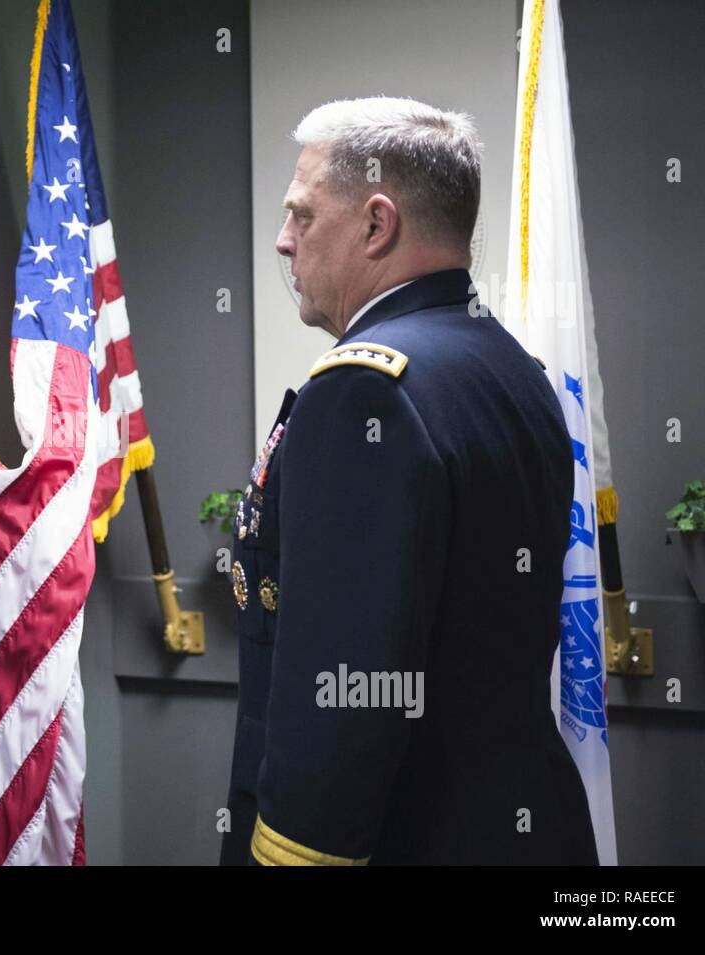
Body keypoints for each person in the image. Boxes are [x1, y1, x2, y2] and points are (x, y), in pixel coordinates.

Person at [220, 96, 598, 865]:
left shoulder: (364, 392)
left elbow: (339, 705)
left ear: (376, 224)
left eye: (302, 215)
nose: (284, 240)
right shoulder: (513, 370)